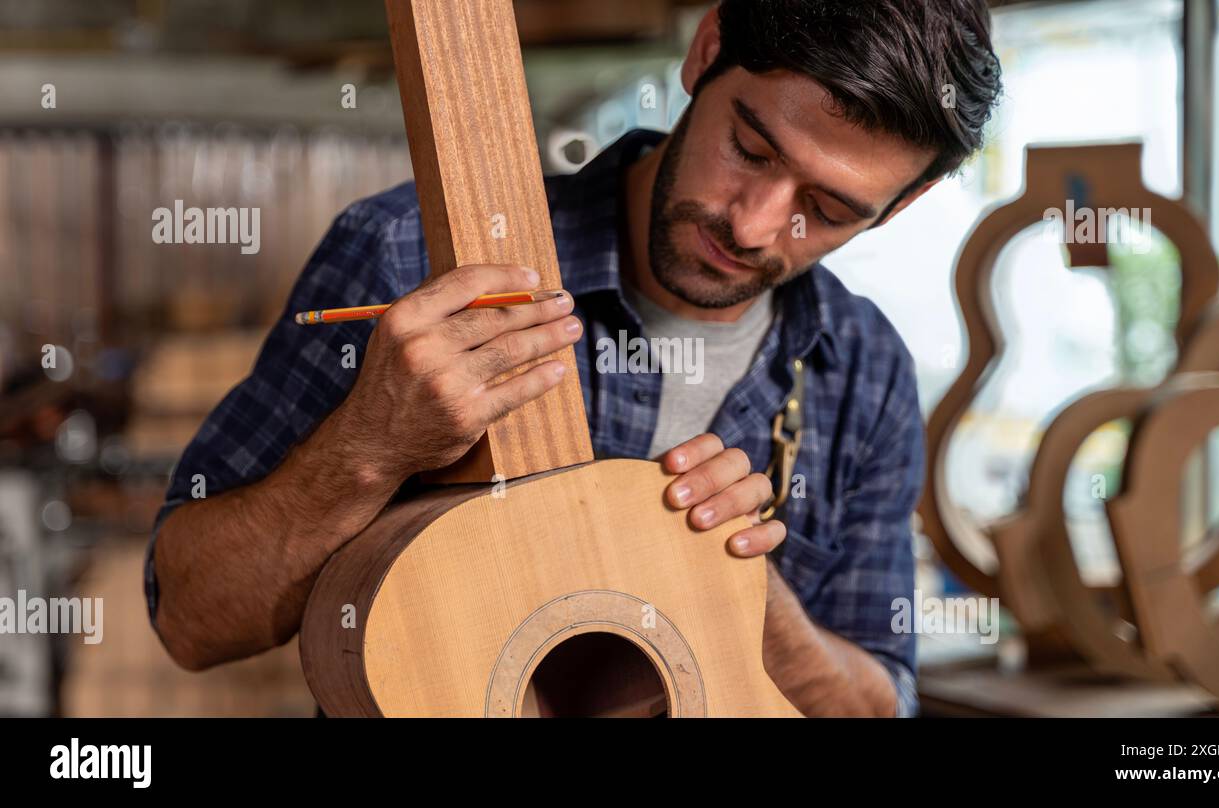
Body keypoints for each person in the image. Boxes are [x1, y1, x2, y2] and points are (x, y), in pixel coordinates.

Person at [147, 0, 1002, 717]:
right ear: (706, 53)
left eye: (826, 206)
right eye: (750, 149)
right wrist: (368, 449)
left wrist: (751, 602)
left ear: (901, 206)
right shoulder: (410, 257)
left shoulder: (865, 368)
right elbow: (189, 620)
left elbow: (878, 698)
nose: (752, 225)